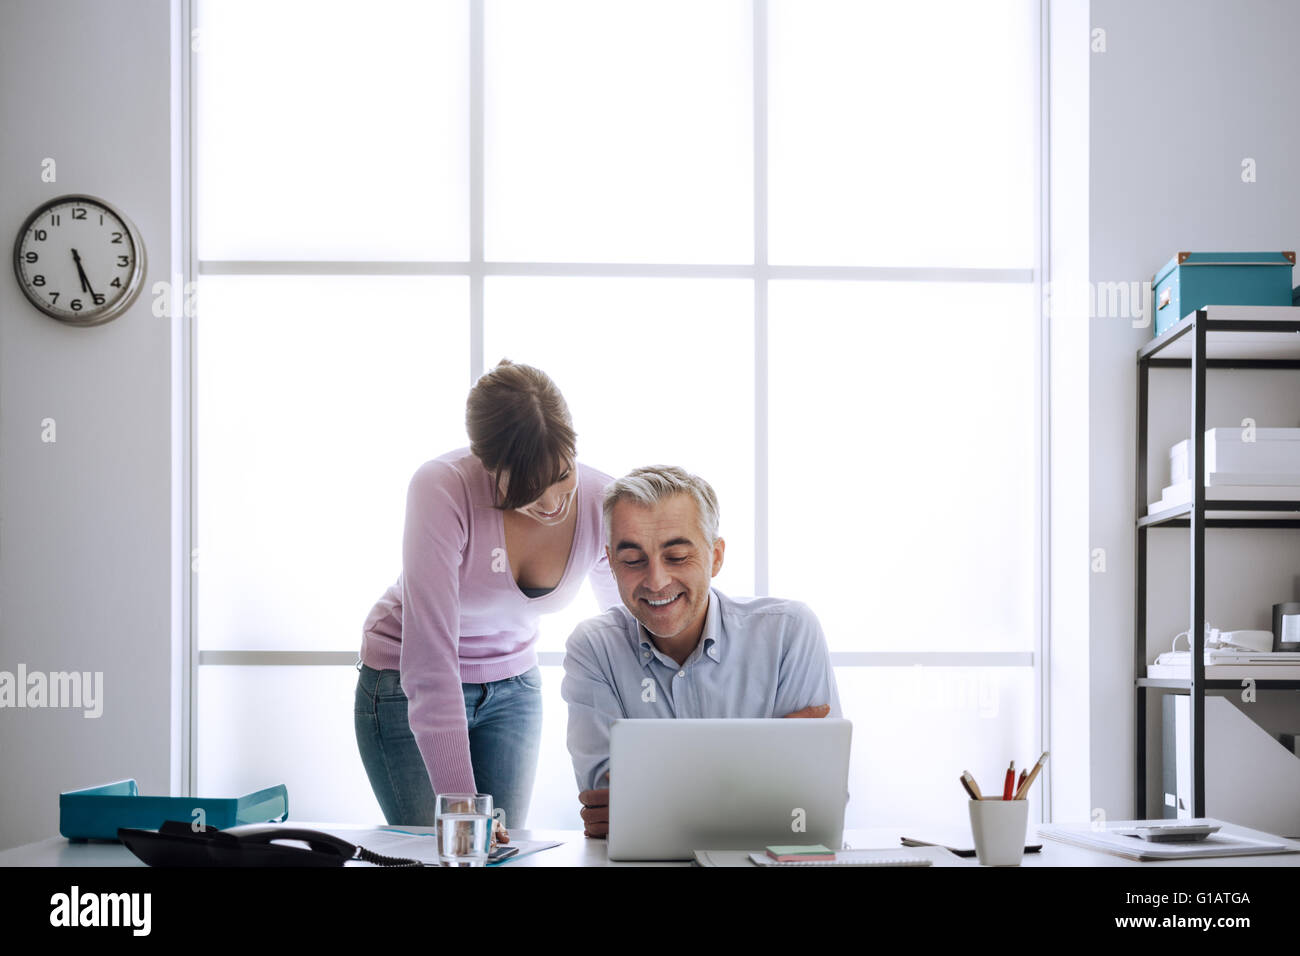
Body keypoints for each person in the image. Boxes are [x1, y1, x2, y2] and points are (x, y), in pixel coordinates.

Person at [355, 359, 621, 835]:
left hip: (514, 686)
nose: (553, 503)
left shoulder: (603, 500)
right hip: (403, 682)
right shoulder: (442, 488)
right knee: (449, 850)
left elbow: (626, 640)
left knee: (502, 854)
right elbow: (430, 659)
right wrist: (459, 806)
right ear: (487, 465)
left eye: (562, 474)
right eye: (528, 489)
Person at [560, 464, 841, 838]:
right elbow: (606, 806)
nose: (656, 581)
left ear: (716, 556)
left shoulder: (789, 632)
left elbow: (811, 803)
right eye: (632, 560)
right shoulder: (594, 650)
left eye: (677, 557)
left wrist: (653, 800)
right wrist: (761, 767)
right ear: (611, 563)